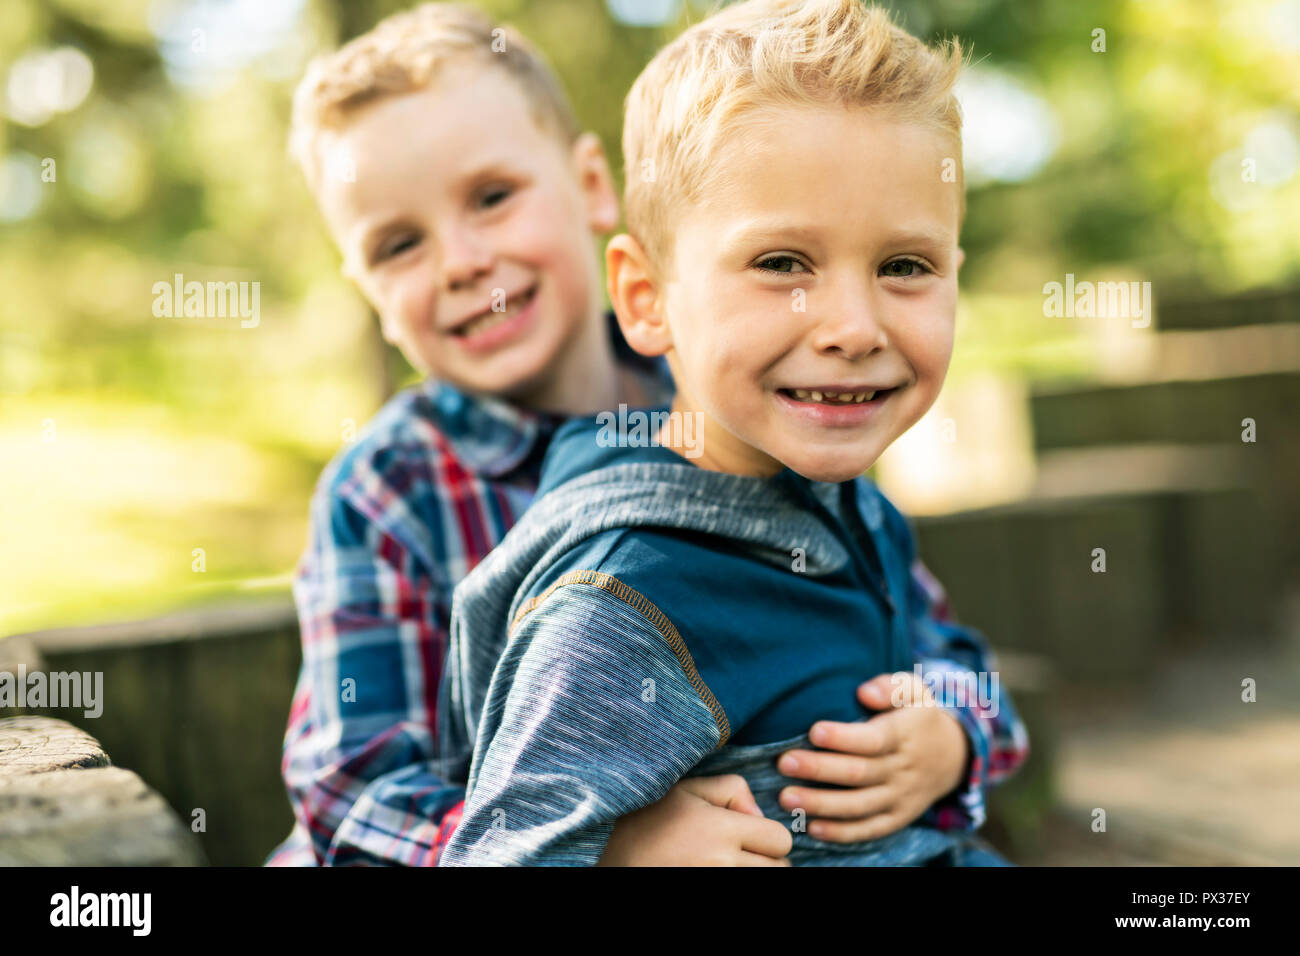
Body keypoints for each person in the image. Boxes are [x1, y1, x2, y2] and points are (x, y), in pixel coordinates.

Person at [271, 0, 1024, 866]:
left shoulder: (775, 404)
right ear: (362, 282)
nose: (462, 261)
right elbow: (350, 787)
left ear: (592, 186)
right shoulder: (388, 490)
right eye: (400, 244)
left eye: (492, 197)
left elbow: (924, 637)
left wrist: (953, 732)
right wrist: (605, 843)